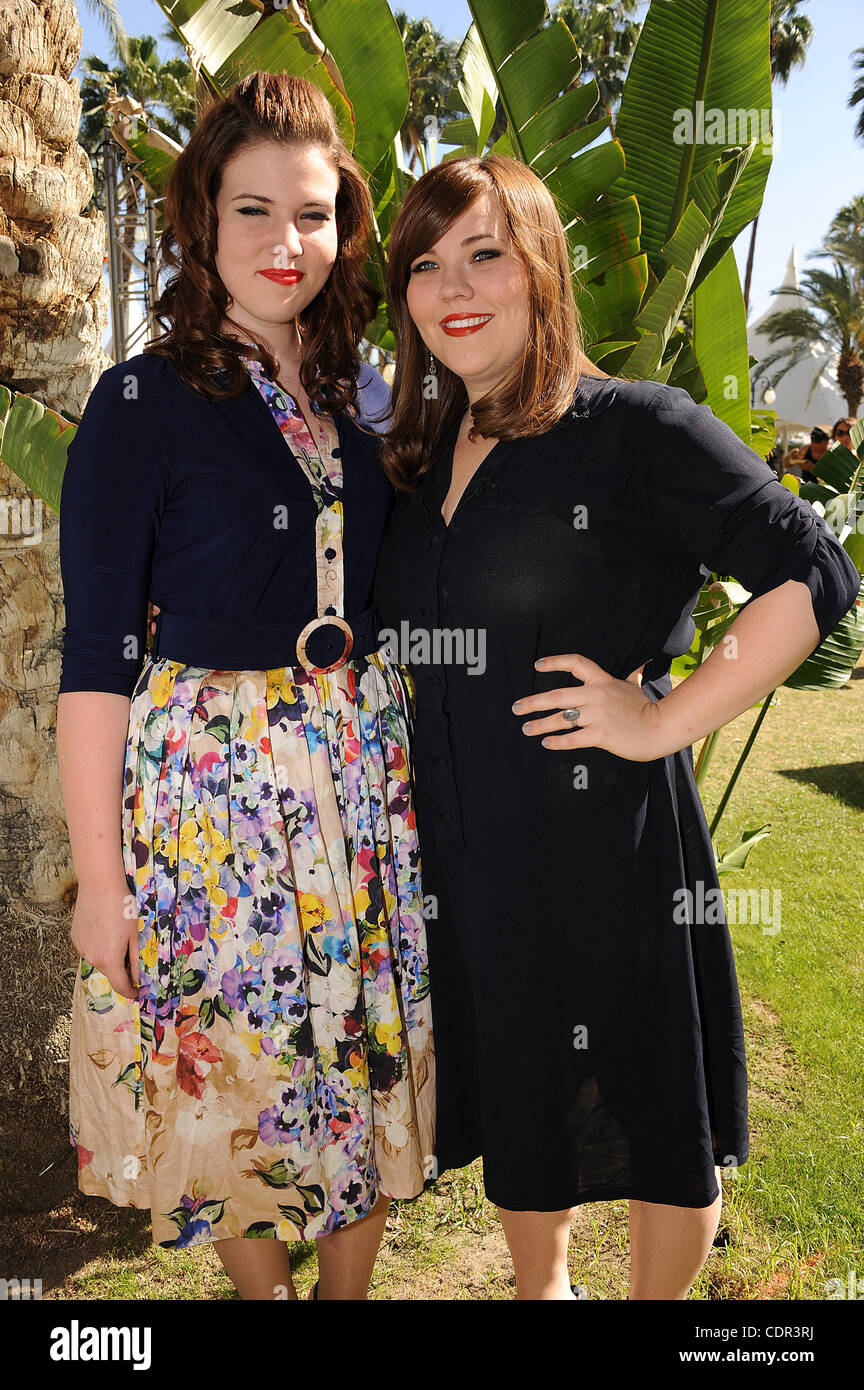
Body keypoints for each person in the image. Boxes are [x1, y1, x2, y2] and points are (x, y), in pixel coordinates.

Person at [373, 154, 861, 1301]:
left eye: (486, 252)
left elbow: (811, 570)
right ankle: (544, 1293)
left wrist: (659, 720)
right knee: (526, 1097)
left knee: (656, 1117)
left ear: (542, 263)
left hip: (609, 851)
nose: (455, 285)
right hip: (468, 855)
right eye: (426, 264)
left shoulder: (638, 427)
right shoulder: (426, 451)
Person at [56, 71, 435, 1301]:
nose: (287, 244)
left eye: (313, 215)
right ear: (202, 224)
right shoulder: (138, 404)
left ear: (347, 225)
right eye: (254, 211)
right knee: (237, 1064)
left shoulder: (371, 395)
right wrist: (101, 887)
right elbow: (98, 661)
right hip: (208, 797)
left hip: (360, 776)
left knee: (360, 1054)